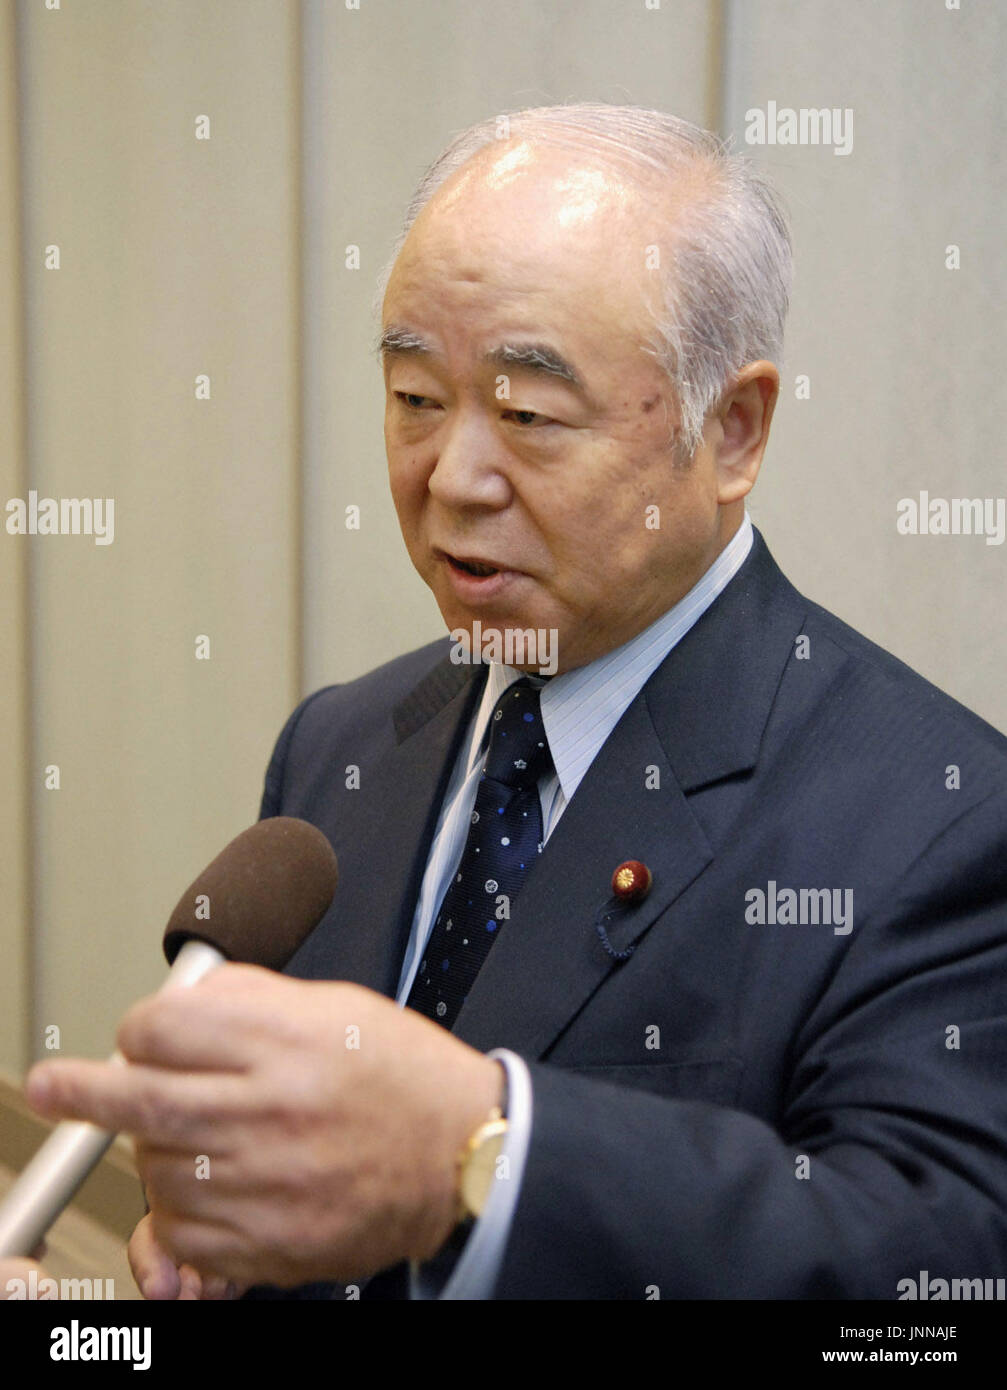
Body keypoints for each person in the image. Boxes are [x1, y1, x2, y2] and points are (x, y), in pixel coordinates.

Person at [15, 104, 1007, 1302]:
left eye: (528, 417)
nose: (451, 478)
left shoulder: (939, 819)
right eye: (416, 399)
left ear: (731, 431)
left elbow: (933, 1272)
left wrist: (483, 1157)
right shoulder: (339, 749)